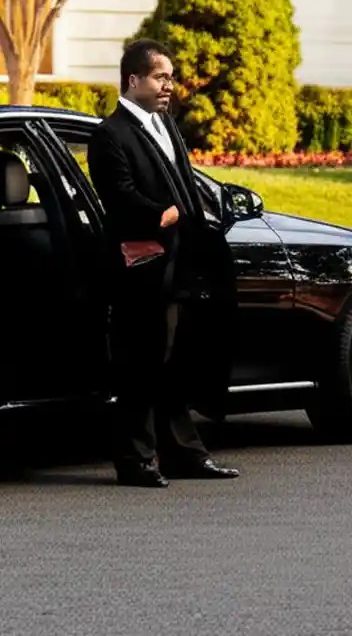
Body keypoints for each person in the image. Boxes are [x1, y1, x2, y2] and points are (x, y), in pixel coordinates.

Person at [86, 38, 240, 488]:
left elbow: (185, 181)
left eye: (171, 78)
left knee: (175, 362)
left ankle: (186, 455)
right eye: (160, 77)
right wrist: (164, 215)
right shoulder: (109, 135)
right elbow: (118, 195)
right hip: (142, 265)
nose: (168, 85)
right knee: (140, 364)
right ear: (133, 81)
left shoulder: (166, 125)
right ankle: (134, 462)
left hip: (182, 264)